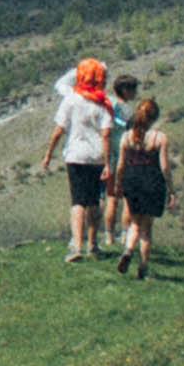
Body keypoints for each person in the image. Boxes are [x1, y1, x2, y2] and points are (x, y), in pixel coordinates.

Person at [53, 58, 116, 260]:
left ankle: (77, 247)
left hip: (75, 155)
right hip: (96, 157)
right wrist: (107, 163)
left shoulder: (71, 99)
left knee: (78, 202)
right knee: (94, 202)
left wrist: (48, 154)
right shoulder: (104, 104)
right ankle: (93, 245)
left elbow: (59, 129)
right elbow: (106, 135)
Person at [112, 88, 171, 277]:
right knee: (147, 227)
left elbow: (121, 164)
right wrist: (171, 189)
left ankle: (128, 250)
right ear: (154, 118)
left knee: (135, 223)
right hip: (152, 183)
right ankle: (144, 266)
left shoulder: (127, 137)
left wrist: (118, 184)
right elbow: (164, 167)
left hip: (132, 182)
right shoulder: (159, 138)